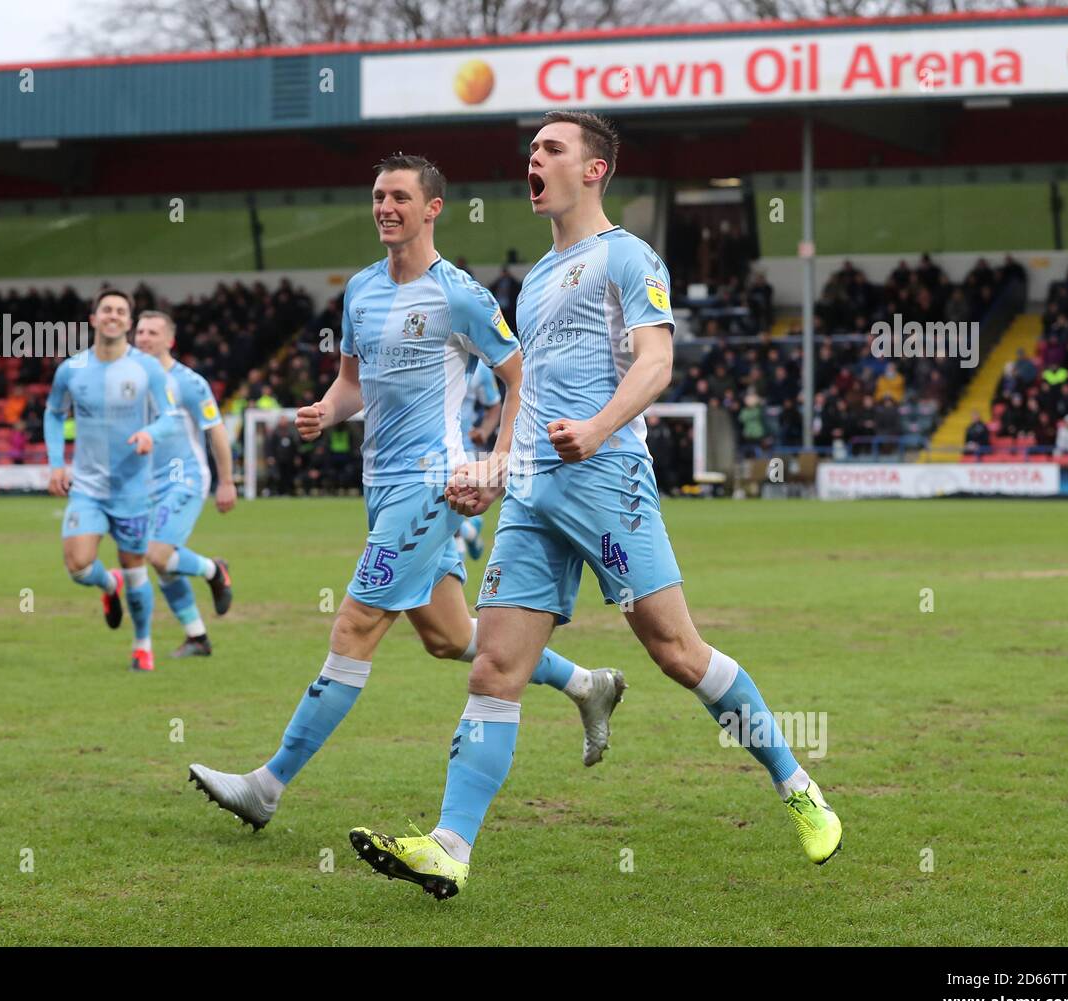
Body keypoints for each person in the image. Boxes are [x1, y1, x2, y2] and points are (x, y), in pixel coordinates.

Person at [350, 112, 842, 901]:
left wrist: (599, 426)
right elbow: (530, 392)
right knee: (493, 663)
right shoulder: (536, 279)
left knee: (678, 652)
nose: (533, 159)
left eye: (551, 148)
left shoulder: (628, 256)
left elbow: (658, 362)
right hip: (535, 494)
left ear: (594, 170)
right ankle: (449, 846)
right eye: (532, 148)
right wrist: (499, 466)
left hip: (608, 477)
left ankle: (795, 783)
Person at [187, 153, 627, 835]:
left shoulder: (459, 294)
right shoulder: (360, 289)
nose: (384, 207)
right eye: (376, 196)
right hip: (380, 485)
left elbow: (522, 378)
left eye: (398, 196)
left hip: (429, 485)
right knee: (453, 639)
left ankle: (267, 784)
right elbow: (352, 384)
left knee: (354, 625)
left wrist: (498, 463)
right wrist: (326, 411)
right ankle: (586, 683)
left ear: (432, 208)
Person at [45, 289, 182, 671]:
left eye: (121, 311)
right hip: (87, 487)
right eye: (106, 309)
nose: (113, 315)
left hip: (133, 489)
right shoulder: (71, 370)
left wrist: (150, 433)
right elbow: (54, 413)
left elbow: (171, 417)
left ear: (129, 322)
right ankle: (109, 585)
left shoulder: (147, 369)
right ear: (94, 318)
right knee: (77, 565)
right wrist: (57, 463)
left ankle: (143, 644)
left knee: (135, 565)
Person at [134, 310, 237, 658]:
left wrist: (227, 481)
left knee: (157, 553)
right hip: (144, 485)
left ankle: (214, 570)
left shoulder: (189, 383)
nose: (144, 337)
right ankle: (197, 637)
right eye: (141, 331)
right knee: (161, 562)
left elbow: (216, 431)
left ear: (169, 340)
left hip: (184, 478)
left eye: (152, 332)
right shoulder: (129, 382)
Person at [454, 360, 502, 560]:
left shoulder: (480, 367)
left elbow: (494, 406)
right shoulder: (428, 353)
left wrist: (484, 431)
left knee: (448, 523)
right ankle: (470, 532)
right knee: (444, 521)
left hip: (465, 452)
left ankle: (465, 534)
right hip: (430, 451)